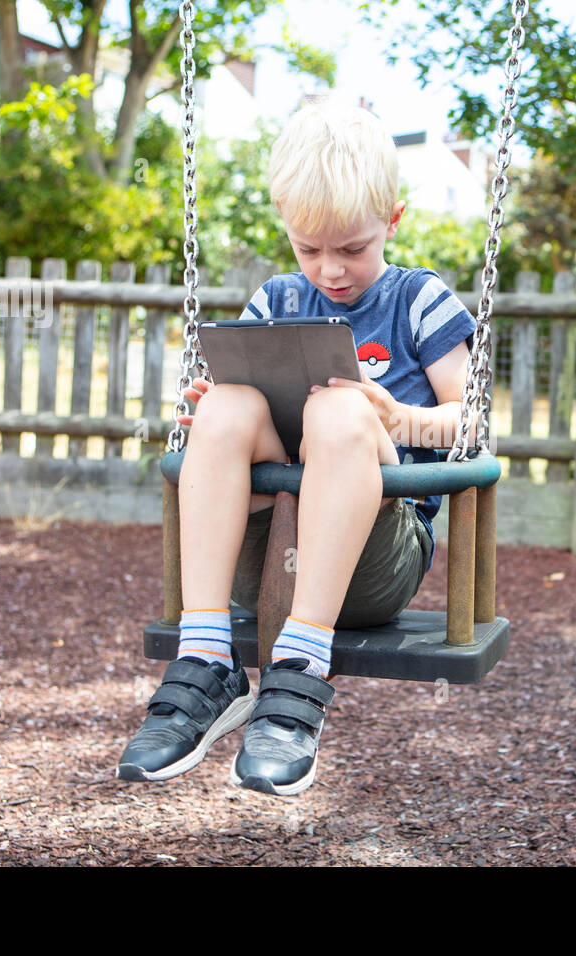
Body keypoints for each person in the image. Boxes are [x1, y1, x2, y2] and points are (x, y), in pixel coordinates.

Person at [116, 96, 478, 796]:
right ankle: (207, 658)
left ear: (392, 223)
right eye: (308, 248)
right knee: (228, 404)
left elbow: (469, 423)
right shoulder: (277, 300)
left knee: (341, 410)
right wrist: (213, 418)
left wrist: (398, 418)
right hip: (264, 562)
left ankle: (302, 664)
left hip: (373, 565)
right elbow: (241, 422)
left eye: (351, 248)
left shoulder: (418, 300)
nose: (330, 270)